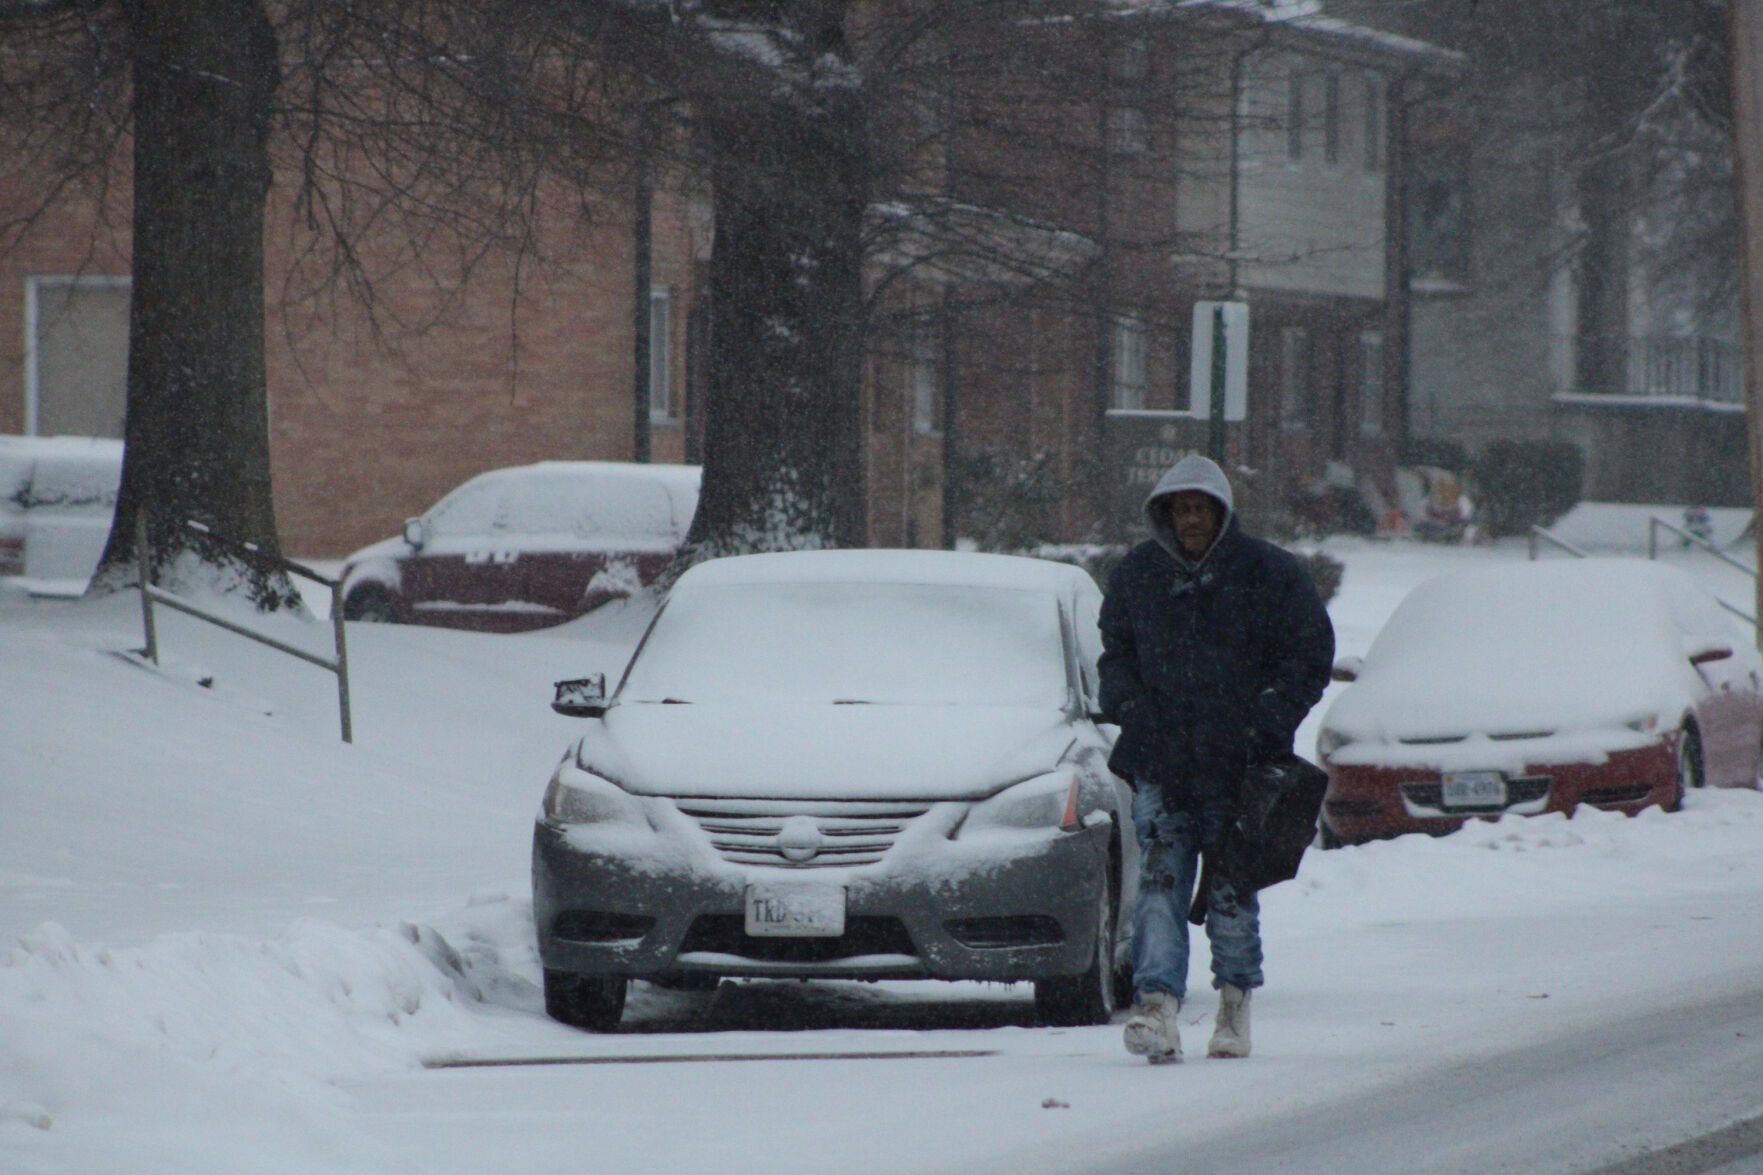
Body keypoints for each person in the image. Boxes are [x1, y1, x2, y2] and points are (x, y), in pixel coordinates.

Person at [1099, 454, 1334, 1064]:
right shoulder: (1137, 577)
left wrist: (1267, 720)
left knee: (1232, 892)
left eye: (1201, 508)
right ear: (1165, 514)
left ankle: (1233, 1003)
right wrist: (1130, 705)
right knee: (1159, 884)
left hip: (1241, 767)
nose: (1191, 520)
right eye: (1180, 508)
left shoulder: (1270, 575)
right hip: (1162, 761)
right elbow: (1115, 655)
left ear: (1222, 512)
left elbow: (1308, 657)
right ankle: (1157, 1008)